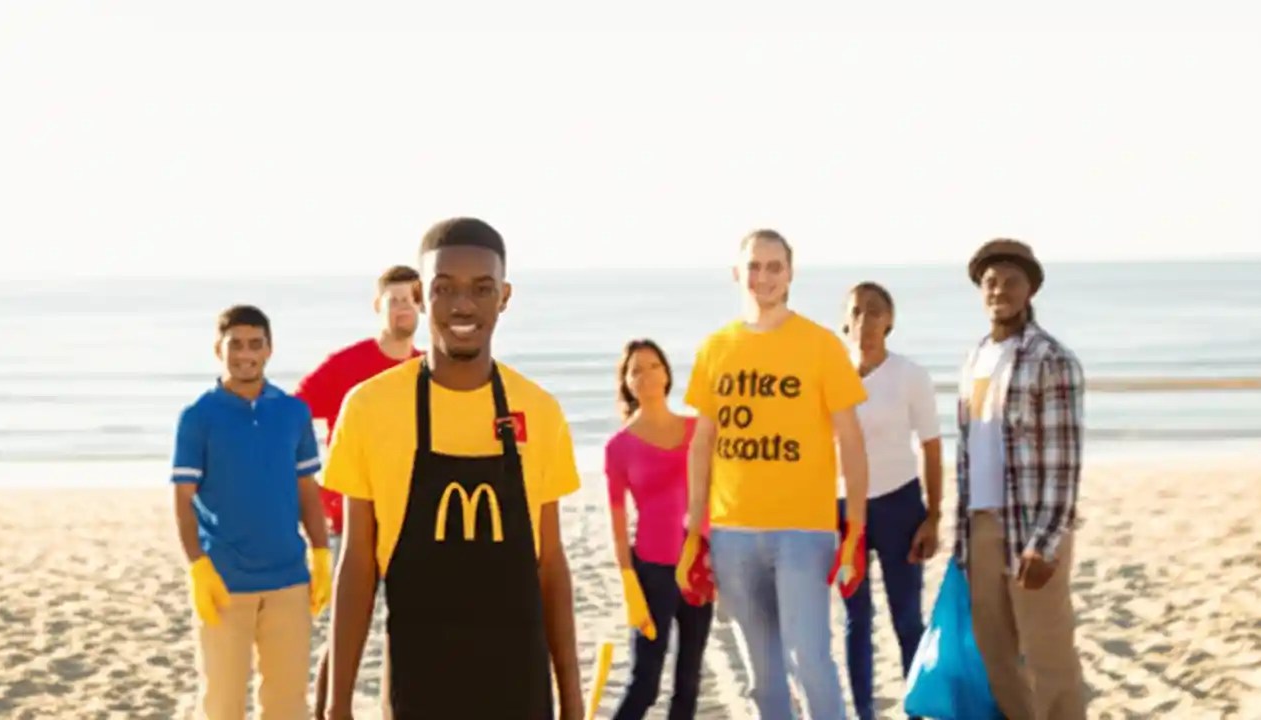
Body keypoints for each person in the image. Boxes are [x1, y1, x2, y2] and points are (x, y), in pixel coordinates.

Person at [321, 217, 585, 719]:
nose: (463, 305)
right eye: (446, 288)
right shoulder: (370, 408)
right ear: (421, 295)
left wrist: (572, 703)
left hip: (520, 689)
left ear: (504, 296)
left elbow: (550, 564)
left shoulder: (541, 410)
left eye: (481, 289)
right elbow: (357, 562)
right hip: (417, 687)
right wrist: (337, 704)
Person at [676, 229, 870, 720]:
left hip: (803, 530)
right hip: (731, 532)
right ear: (737, 273)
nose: (763, 277)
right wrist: (694, 529)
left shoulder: (821, 345)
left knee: (811, 661)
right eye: (754, 266)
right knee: (762, 677)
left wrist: (856, 529)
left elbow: (851, 439)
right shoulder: (716, 347)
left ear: (790, 274)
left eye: (774, 267)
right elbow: (703, 442)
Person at [170, 304, 332, 719]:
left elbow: (307, 490)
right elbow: (183, 498)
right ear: (218, 350)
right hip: (225, 581)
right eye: (235, 345)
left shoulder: (293, 413)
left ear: (269, 349)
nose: (246, 354)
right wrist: (198, 567)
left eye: (255, 344)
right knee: (222, 704)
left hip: (289, 582)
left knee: (287, 704)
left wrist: (320, 554)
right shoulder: (197, 417)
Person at [956, 239, 1087, 720]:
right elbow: (969, 453)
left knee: (1049, 656)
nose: (999, 290)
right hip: (983, 525)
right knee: (996, 655)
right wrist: (962, 537)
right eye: (990, 282)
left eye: (1011, 281)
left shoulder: (1052, 359)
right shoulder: (974, 358)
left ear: (1030, 289)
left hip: (1032, 527)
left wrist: (1046, 541)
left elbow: (1064, 459)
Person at [293, 264, 423, 718]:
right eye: (395, 298)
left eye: (412, 297)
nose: (404, 306)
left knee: (404, 634)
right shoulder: (346, 365)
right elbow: (292, 416)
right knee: (347, 631)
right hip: (351, 521)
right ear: (378, 306)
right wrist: (310, 486)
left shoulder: (431, 368)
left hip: (413, 523)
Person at [837, 281, 943, 720]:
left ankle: (916, 709)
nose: (866, 321)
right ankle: (864, 713)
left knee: (906, 620)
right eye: (857, 311)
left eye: (876, 311)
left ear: (890, 321)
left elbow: (932, 447)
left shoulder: (909, 375)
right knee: (856, 621)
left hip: (900, 507)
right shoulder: (832, 376)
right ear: (846, 322)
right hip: (844, 513)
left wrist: (933, 516)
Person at [605, 338, 713, 720]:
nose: (647, 374)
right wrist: (629, 582)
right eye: (636, 369)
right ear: (627, 383)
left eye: (654, 366)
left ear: (667, 374)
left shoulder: (699, 430)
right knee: (645, 682)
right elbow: (617, 525)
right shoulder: (618, 447)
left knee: (689, 680)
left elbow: (719, 493)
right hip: (652, 570)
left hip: (699, 565)